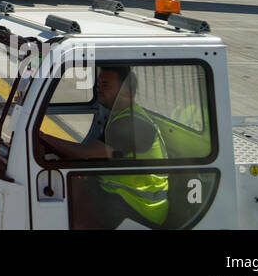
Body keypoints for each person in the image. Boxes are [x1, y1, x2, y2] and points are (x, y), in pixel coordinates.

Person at [36, 65, 169, 229]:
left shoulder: (131, 124)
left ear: (126, 90)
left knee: (71, 188)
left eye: (105, 85)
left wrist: (43, 138)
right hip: (121, 198)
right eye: (98, 84)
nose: (98, 89)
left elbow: (86, 154)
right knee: (71, 181)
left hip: (141, 209)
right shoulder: (120, 116)